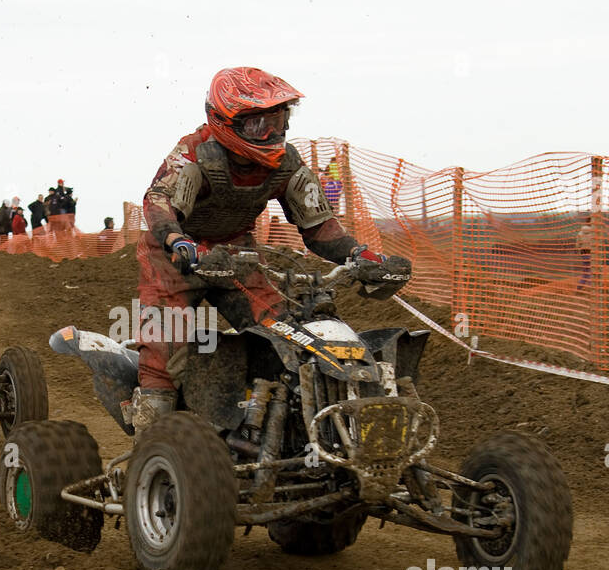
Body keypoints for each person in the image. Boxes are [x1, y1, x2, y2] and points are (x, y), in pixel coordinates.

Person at [130, 66, 411, 431]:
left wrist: (359, 255)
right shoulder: (195, 153)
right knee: (165, 353)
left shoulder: (286, 163)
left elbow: (318, 224)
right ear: (223, 121)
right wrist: (178, 241)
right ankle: (152, 443)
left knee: (284, 333)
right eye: (258, 125)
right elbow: (159, 200)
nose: (272, 134)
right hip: (172, 256)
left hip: (237, 256)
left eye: (278, 121)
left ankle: (276, 430)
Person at [575, 216, 594, 289]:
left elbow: (577, 245)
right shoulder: (594, 233)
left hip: (584, 253)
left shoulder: (580, 233)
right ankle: (592, 287)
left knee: (586, 271)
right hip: (592, 253)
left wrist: (580, 251)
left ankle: (579, 286)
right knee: (592, 271)